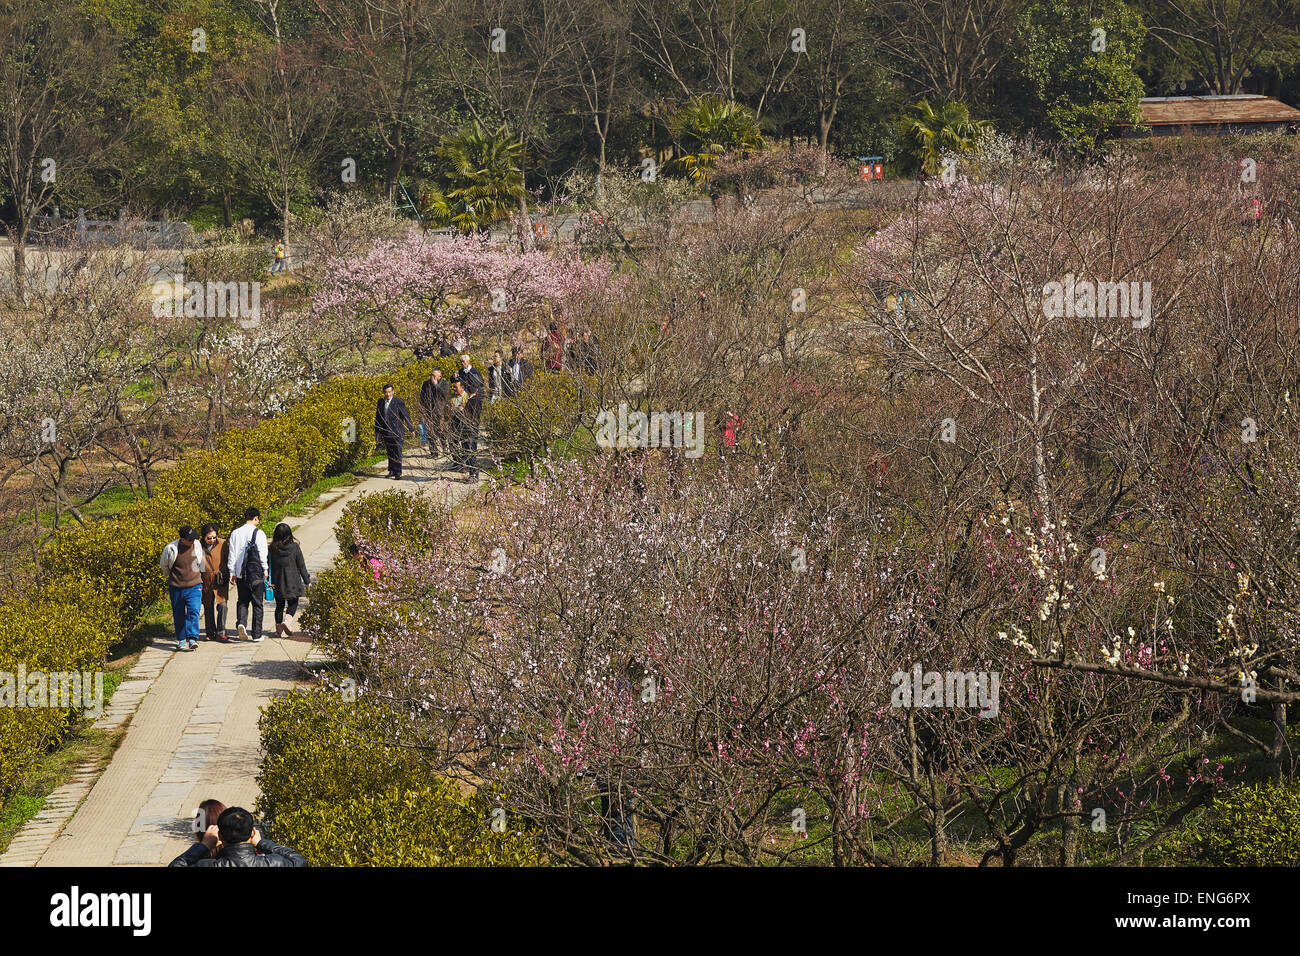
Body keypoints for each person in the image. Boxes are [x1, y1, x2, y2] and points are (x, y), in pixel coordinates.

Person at [169, 806, 307, 868]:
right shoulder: (274, 863)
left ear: (220, 836)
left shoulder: (206, 865)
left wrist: (204, 845)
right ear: (252, 833)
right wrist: (261, 843)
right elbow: (298, 859)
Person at [227, 507, 268, 643]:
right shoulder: (259, 533)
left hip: (240, 574)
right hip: (256, 574)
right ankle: (256, 634)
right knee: (257, 604)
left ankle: (241, 623)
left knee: (243, 600)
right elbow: (262, 554)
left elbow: (232, 554)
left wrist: (232, 572)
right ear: (255, 518)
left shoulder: (235, 533)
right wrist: (265, 569)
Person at [160, 525, 204, 652]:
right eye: (189, 539)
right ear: (182, 539)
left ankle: (192, 638)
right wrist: (172, 578)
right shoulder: (171, 548)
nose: (192, 541)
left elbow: (201, 561)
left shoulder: (197, 545)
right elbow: (164, 565)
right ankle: (181, 639)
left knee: (194, 610)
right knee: (178, 613)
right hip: (177, 587)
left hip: (195, 585)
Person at [267, 523, 310, 639]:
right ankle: (287, 620)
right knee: (293, 603)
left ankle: (278, 630)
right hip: (293, 582)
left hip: (277, 582)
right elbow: (301, 565)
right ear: (289, 534)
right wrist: (307, 580)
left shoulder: (271, 549)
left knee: (279, 606)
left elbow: (267, 565)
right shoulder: (295, 547)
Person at [374, 383, 415, 479]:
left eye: (389, 392)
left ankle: (398, 471)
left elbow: (405, 415)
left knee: (397, 451)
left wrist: (411, 428)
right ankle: (391, 470)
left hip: (397, 431)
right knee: (390, 451)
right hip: (386, 431)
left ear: (393, 392)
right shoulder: (380, 402)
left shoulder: (398, 401)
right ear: (383, 393)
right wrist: (377, 431)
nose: (388, 394)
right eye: (386, 392)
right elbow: (378, 417)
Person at [199, 524, 230, 643]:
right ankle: (210, 632)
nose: (212, 540)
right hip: (206, 580)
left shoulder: (222, 543)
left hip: (220, 579)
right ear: (204, 537)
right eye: (209, 538)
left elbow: (228, 560)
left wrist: (229, 574)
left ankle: (221, 632)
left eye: (214, 537)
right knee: (208, 606)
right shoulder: (198, 546)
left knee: (223, 605)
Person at [418, 367, 451, 458]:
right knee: (430, 432)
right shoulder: (426, 384)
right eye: (431, 375)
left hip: (440, 411)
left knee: (440, 431)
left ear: (439, 376)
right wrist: (422, 410)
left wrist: (436, 385)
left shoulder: (444, 384)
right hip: (428, 411)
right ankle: (434, 452)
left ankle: (445, 449)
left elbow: (444, 395)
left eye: (434, 375)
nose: (431, 377)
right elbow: (422, 397)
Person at [450, 380, 478, 479]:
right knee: (454, 444)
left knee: (468, 448)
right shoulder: (452, 398)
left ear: (462, 388)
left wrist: (462, 411)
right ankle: (460, 463)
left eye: (455, 387)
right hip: (455, 425)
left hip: (466, 426)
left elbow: (472, 414)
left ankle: (471, 472)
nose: (453, 389)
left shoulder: (469, 399)